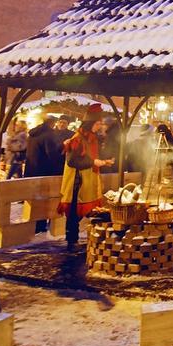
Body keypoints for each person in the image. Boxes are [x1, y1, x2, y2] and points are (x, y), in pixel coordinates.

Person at [58, 104, 114, 252]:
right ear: (90, 124)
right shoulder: (77, 138)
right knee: (74, 212)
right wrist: (94, 162)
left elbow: (92, 156)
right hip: (77, 180)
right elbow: (72, 161)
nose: (99, 126)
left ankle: (94, 236)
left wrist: (103, 161)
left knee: (90, 210)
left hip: (89, 179)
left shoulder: (92, 138)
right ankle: (72, 240)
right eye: (97, 124)